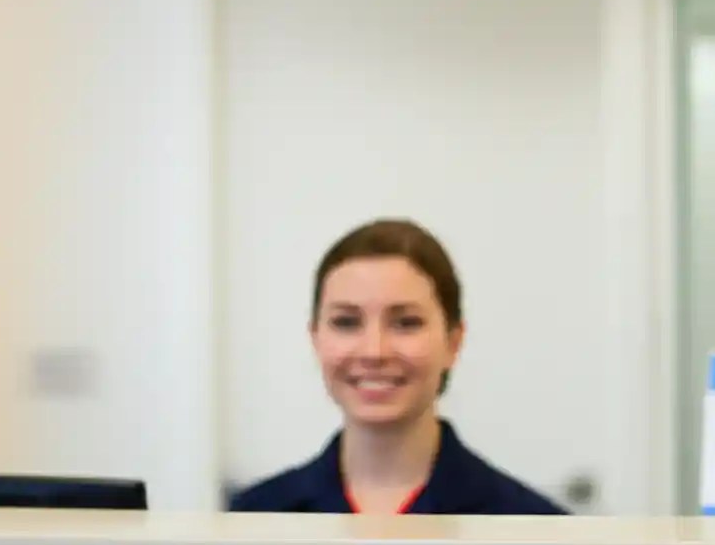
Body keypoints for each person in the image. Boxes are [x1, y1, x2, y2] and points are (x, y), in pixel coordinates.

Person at [230, 218, 567, 515]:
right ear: (315, 338)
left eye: (406, 323)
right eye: (346, 322)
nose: (374, 351)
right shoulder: (253, 517)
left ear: (453, 341)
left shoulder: (534, 527)